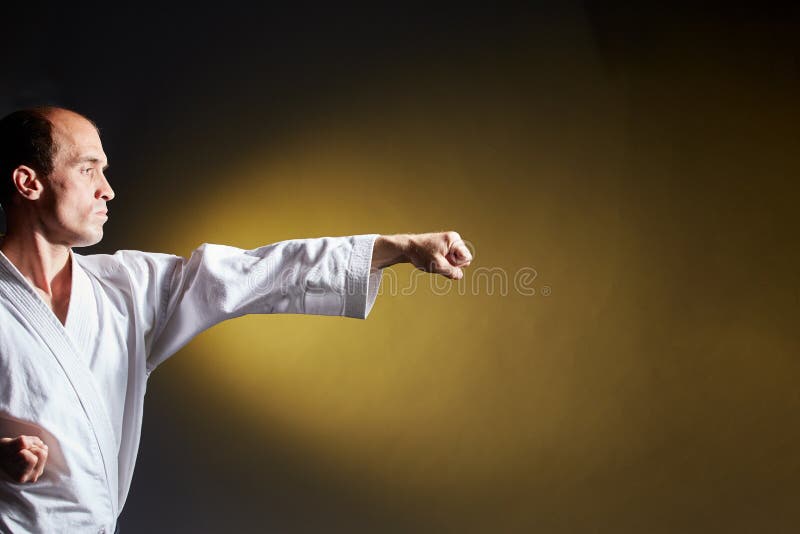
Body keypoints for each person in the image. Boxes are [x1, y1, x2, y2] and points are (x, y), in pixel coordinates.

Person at [0, 107, 473, 533]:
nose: (108, 189)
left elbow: (255, 273)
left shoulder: (124, 289)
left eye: (104, 171)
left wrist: (398, 248)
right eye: (88, 169)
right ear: (28, 182)